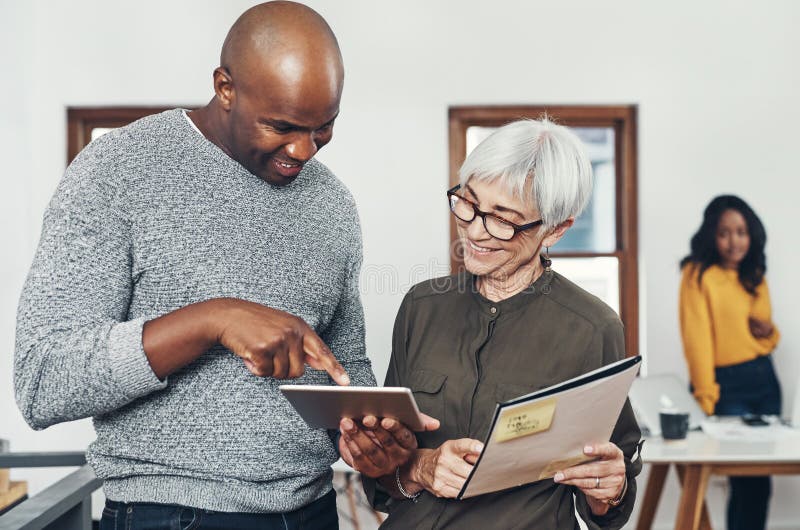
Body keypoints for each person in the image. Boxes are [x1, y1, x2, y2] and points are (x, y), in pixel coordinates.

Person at [14, 3, 432, 529]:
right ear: (225, 87)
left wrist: (364, 435)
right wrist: (214, 320)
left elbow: (342, 366)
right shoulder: (119, 170)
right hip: (168, 512)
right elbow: (43, 380)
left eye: (323, 127)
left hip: (314, 511)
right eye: (282, 126)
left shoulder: (333, 204)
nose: (304, 150)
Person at [342, 119, 642, 529]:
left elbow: (610, 498)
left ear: (555, 230)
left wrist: (611, 489)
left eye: (504, 218)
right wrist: (418, 467)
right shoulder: (421, 306)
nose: (475, 232)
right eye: (468, 204)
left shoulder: (592, 329)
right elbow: (385, 482)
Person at [679, 195, 781, 530]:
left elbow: (761, 336)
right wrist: (705, 399)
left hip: (764, 380)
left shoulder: (755, 276)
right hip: (725, 386)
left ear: (752, 235)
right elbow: (698, 343)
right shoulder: (698, 276)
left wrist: (770, 332)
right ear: (711, 235)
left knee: (760, 483)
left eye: (741, 231)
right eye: (724, 232)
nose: (734, 240)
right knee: (739, 478)